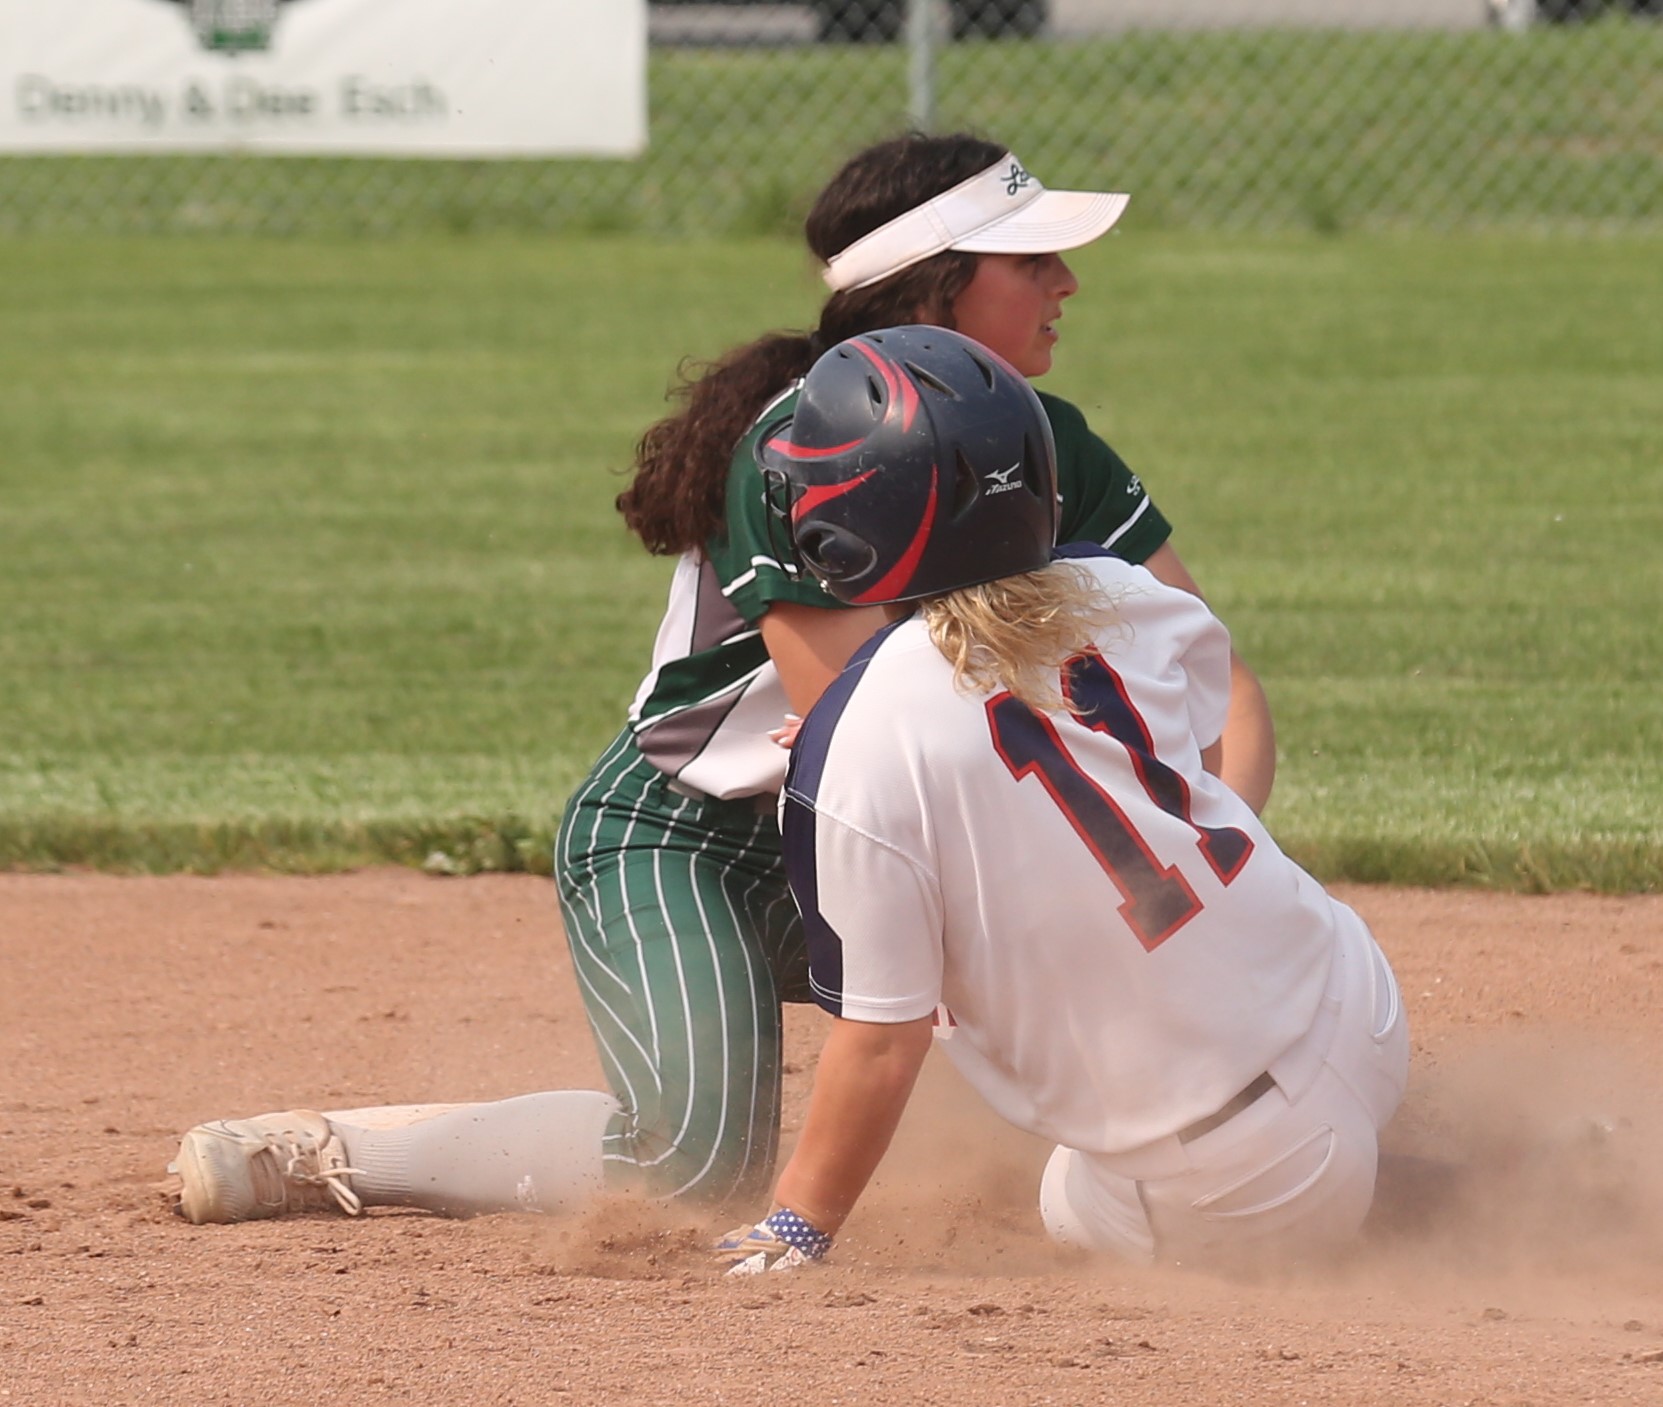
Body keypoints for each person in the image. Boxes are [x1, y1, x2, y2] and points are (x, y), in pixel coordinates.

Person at [167, 132, 1278, 1227]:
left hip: (903, 820)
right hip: (689, 840)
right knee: (694, 1173)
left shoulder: (1046, 441)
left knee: (1159, 996)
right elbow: (853, 726)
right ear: (937, 284)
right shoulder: (802, 444)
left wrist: (1208, 854)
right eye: (1030, 259)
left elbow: (1219, 685)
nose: (1065, 281)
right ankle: (333, 1152)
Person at [714, 325, 1407, 1272]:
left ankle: (1359, 1199)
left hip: (1249, 1186)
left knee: (1069, 1202)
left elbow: (881, 1040)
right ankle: (1397, 1165)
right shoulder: (1118, 586)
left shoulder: (858, 738)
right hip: (1360, 1006)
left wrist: (793, 1225)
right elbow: (1174, 746)